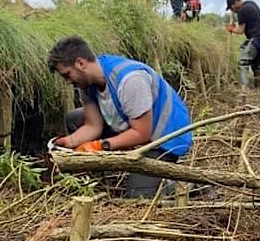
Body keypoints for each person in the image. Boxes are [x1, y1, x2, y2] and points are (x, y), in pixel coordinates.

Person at [48, 35, 193, 198]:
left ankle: (183, 185)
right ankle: (96, 182)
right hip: (134, 125)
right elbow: (92, 126)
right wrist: (71, 142)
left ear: (81, 63)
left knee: (138, 196)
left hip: (165, 138)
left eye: (67, 75)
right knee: (75, 119)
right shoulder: (87, 83)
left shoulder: (130, 80)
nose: (68, 81)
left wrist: (99, 147)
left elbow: (141, 133)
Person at [225, 0, 260, 89]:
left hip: (256, 38)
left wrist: (231, 29)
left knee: (243, 62)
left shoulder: (241, 10)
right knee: (256, 65)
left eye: (232, 7)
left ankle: (244, 90)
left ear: (235, 3)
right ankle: (258, 88)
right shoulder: (251, 4)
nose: (232, 10)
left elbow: (240, 30)